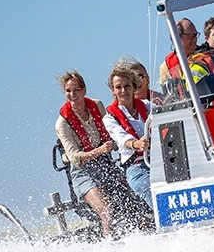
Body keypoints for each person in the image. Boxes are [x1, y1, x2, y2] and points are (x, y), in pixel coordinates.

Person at [55, 70, 147, 238]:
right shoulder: (62, 123)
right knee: (107, 213)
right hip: (83, 173)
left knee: (134, 201)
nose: (72, 94)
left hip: (106, 165)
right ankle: (109, 245)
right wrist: (100, 150)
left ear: (84, 90)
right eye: (68, 91)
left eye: (76, 90)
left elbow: (113, 134)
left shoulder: (97, 105)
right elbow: (75, 158)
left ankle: (141, 237)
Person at [102, 65, 152, 208]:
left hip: (159, 161)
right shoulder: (109, 118)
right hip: (137, 168)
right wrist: (136, 144)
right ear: (113, 91)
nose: (123, 91)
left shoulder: (148, 106)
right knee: (154, 193)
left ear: (133, 87)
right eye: (119, 87)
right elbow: (122, 138)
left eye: (127, 86)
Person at [159, 18, 206, 100]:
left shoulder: (205, 55)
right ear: (177, 38)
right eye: (190, 36)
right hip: (186, 105)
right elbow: (169, 97)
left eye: (195, 35)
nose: (194, 39)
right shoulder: (166, 67)